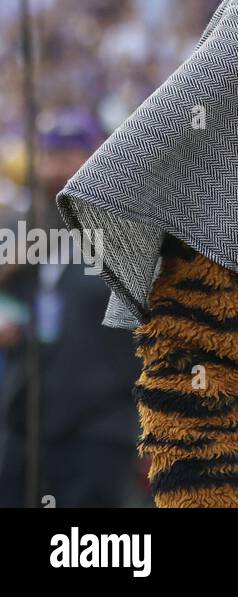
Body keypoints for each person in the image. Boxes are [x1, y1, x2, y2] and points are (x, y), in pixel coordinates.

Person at [0, 113, 143, 507]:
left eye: (73, 156)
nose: (60, 168)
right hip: (28, 418)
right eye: (53, 156)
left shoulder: (122, 235)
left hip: (97, 427)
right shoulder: (26, 235)